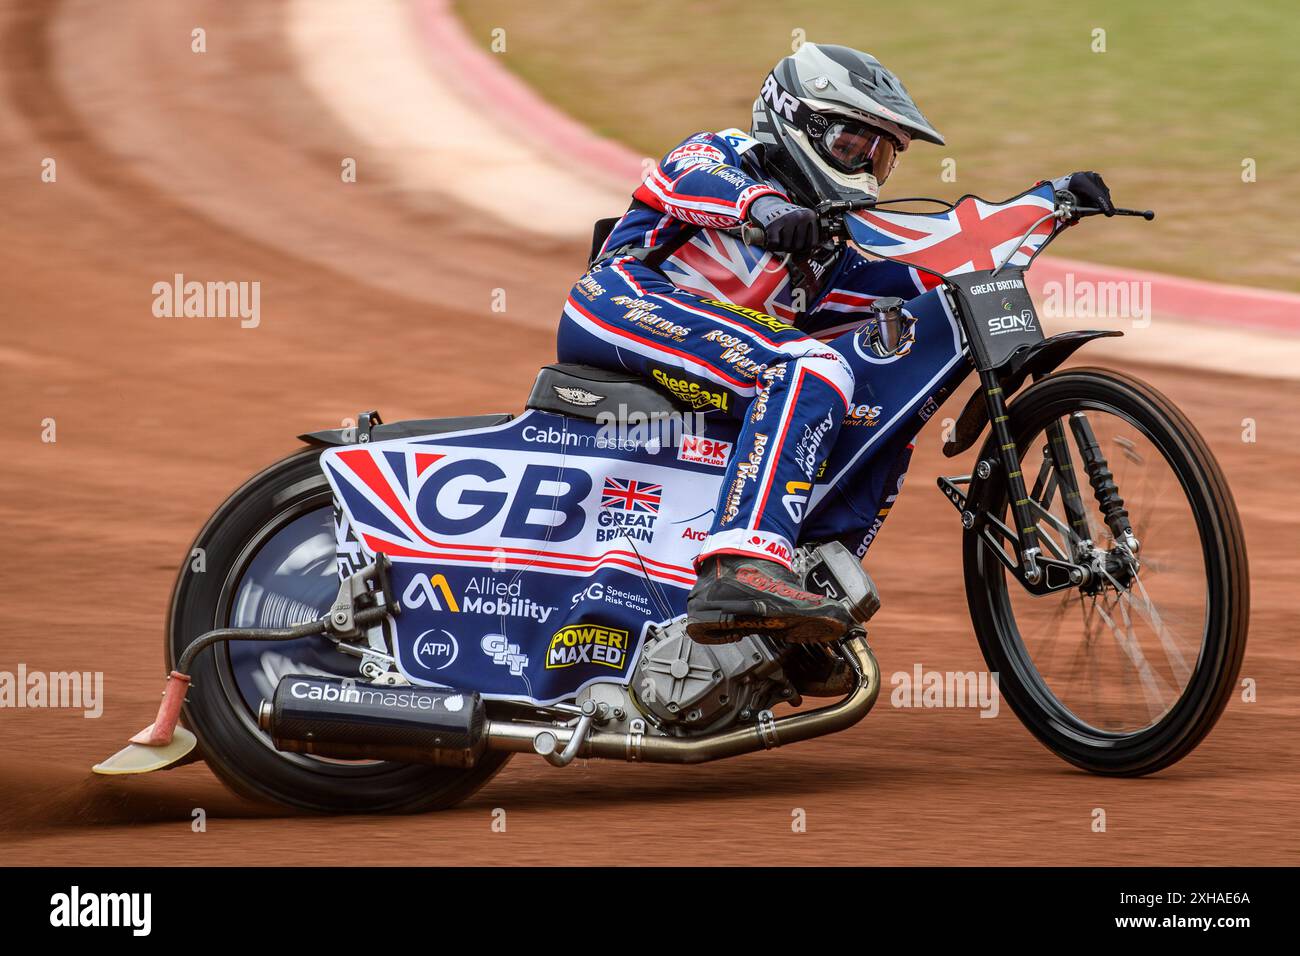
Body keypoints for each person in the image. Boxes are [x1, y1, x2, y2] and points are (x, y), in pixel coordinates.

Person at [557, 43, 1113, 645]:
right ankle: (738, 568)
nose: (865, 166)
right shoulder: (722, 153)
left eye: (881, 155)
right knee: (809, 368)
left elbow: (927, 273)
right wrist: (765, 207)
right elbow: (693, 180)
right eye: (851, 144)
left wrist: (1045, 206)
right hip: (620, 299)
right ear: (795, 118)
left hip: (716, 349)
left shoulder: (829, 246)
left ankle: (806, 591)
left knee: (887, 412)